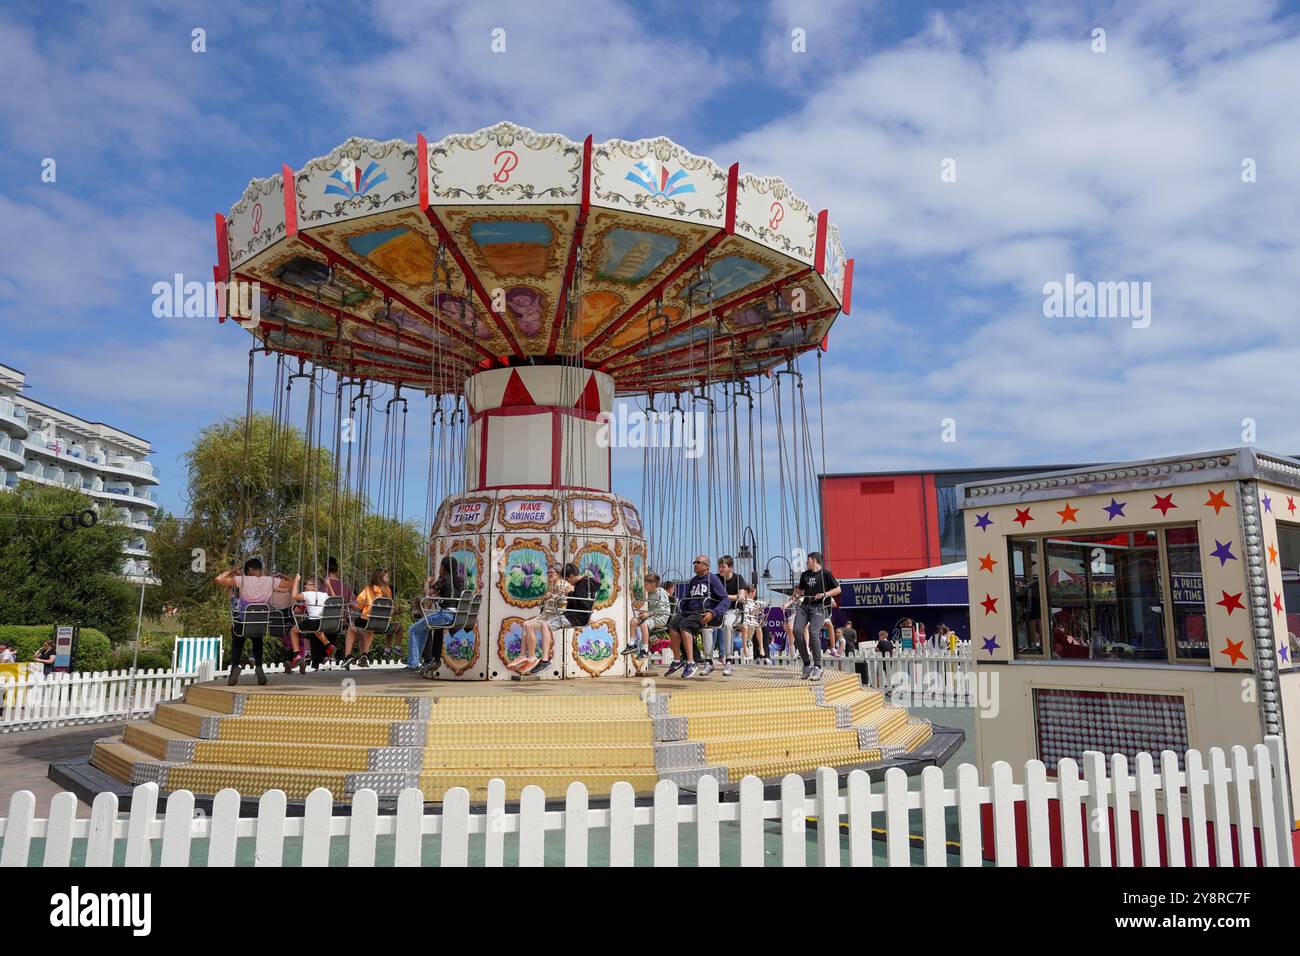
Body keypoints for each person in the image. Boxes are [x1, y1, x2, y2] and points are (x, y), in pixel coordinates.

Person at [665, 555, 729, 679]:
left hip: (703, 612)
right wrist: (681, 608)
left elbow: (725, 600)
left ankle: (691, 661)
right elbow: (687, 598)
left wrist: (713, 613)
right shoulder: (694, 580)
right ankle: (678, 660)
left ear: (706, 566)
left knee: (685, 625)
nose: (695, 564)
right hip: (690, 612)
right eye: (694, 562)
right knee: (673, 625)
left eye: (698, 562)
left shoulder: (713, 579)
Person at [216, 557, 277, 685]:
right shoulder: (266, 582)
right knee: (257, 638)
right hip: (259, 623)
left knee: (237, 638)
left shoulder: (241, 585)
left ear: (249, 570)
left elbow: (219, 579)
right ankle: (259, 666)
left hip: (242, 623)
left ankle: (235, 667)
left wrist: (233, 571)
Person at [788, 551, 840, 681]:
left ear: (814, 560)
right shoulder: (805, 575)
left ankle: (818, 666)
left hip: (820, 607)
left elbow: (838, 589)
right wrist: (795, 595)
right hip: (805, 606)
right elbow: (799, 591)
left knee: (813, 632)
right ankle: (807, 664)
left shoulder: (826, 574)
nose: (806, 562)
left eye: (808, 560)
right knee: (796, 630)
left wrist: (824, 594)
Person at [409, 558, 464, 674]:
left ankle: (413, 664)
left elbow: (428, 594)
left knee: (413, 629)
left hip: (445, 615)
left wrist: (426, 583)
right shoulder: (459, 581)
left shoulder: (443, 580)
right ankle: (432, 659)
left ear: (443, 568)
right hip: (456, 616)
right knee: (425, 629)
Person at [709, 555, 748, 677]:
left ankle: (729, 660)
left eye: (723, 566)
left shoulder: (738, 578)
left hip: (734, 610)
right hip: (719, 610)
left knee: (727, 624)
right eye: (719, 566)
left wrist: (725, 597)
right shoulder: (715, 578)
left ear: (730, 567)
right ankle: (708, 660)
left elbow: (742, 597)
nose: (720, 569)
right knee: (707, 625)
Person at [347, 568, 394, 668]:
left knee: (351, 628)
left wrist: (350, 604)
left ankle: (348, 656)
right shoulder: (387, 590)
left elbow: (359, 606)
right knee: (370, 629)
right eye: (387, 577)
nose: (388, 579)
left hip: (367, 620)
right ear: (381, 578)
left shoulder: (368, 589)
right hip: (383, 622)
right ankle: (364, 655)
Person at [625, 571, 671, 674]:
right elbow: (652, 609)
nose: (644, 586)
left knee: (644, 624)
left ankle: (645, 649)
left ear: (653, 584)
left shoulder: (660, 592)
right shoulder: (651, 594)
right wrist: (645, 613)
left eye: (646, 584)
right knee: (633, 621)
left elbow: (662, 609)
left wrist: (648, 614)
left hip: (662, 617)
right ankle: (632, 644)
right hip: (653, 616)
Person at [292, 575, 337, 669]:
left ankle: (296, 655)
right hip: (322, 622)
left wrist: (296, 581)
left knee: (293, 631)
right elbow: (335, 599)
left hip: (312, 621)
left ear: (314, 586)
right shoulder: (324, 595)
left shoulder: (307, 594)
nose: (305, 587)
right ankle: (329, 646)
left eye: (307, 585)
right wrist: (329, 586)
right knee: (316, 630)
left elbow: (294, 596)